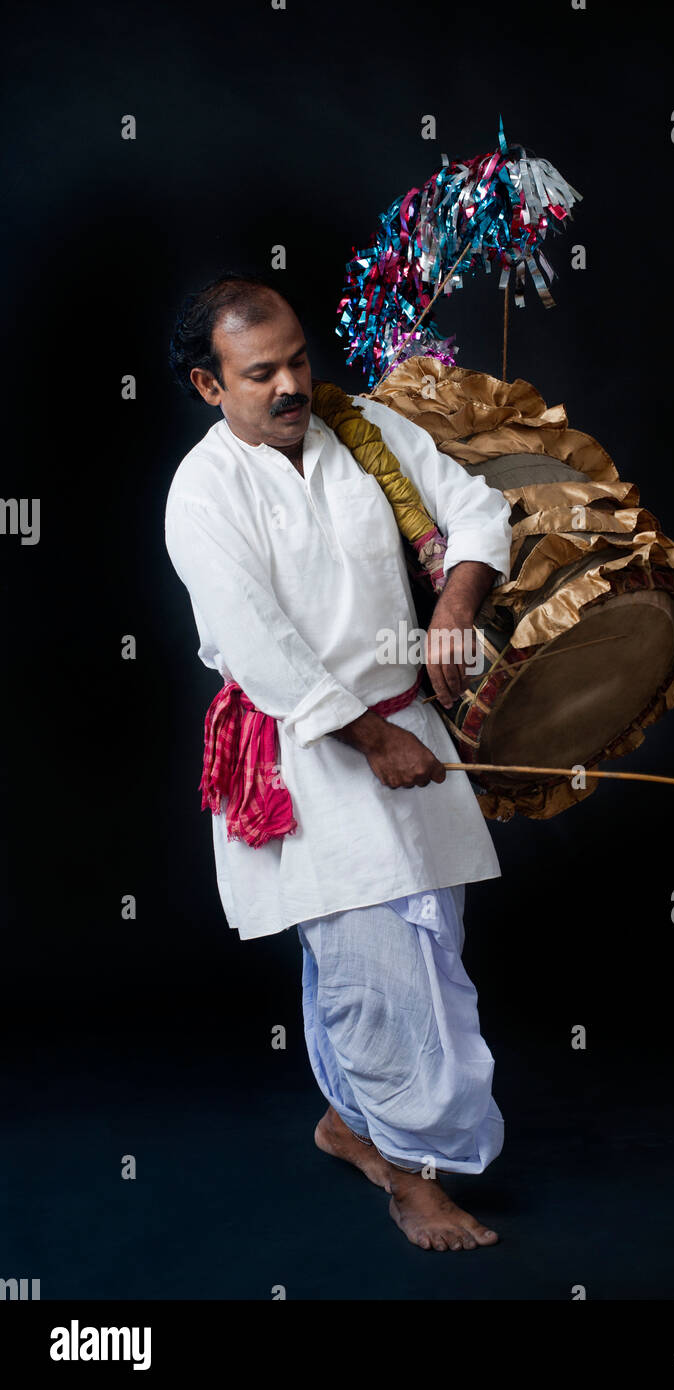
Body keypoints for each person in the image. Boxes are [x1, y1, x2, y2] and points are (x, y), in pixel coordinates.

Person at [164, 272, 512, 1251]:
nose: (289, 385)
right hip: (309, 747)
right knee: (375, 970)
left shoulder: (362, 433)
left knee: (429, 944)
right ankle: (410, 1175)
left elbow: (478, 508)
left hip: (412, 727)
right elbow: (259, 644)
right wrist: (373, 736)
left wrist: (454, 602)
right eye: (260, 371)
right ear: (209, 386)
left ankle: (350, 1123)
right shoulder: (203, 492)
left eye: (298, 360)